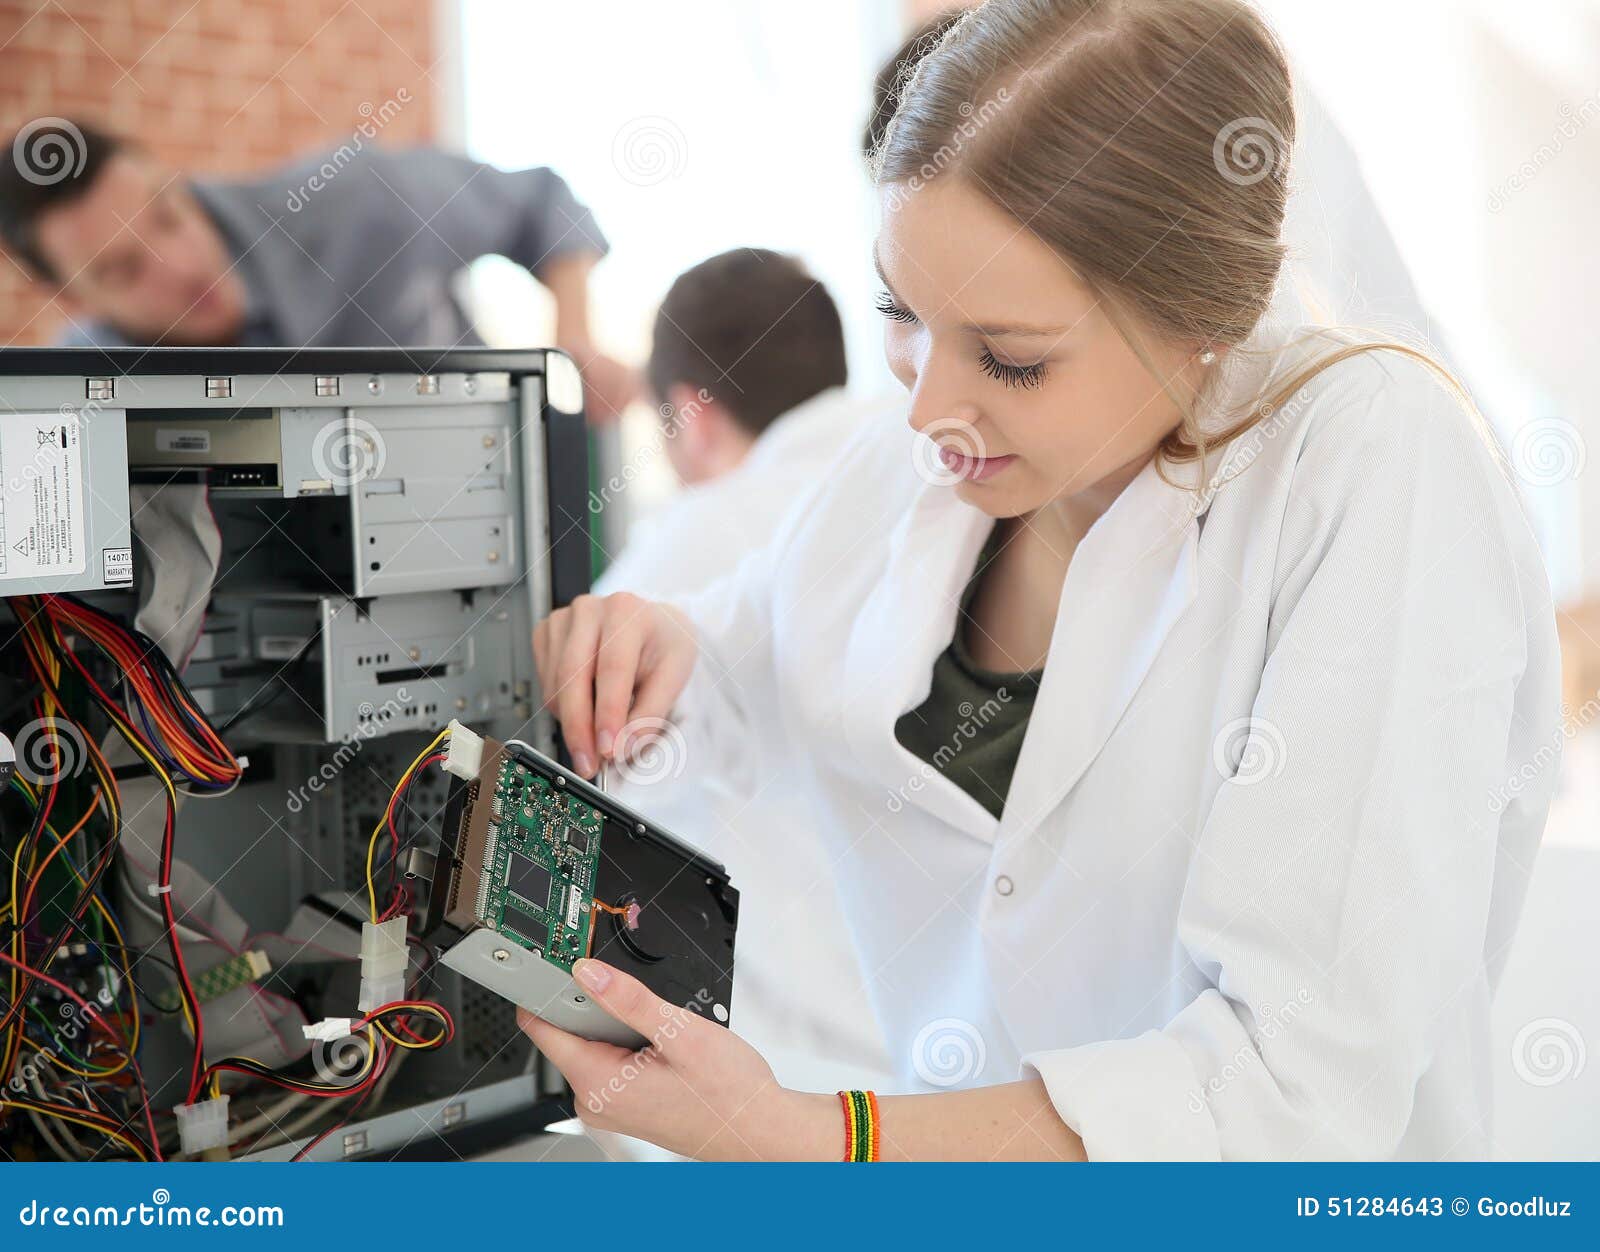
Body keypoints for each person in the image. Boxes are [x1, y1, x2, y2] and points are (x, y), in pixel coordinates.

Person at [523, 0, 1560, 1162]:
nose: (929, 406)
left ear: (1200, 316)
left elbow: (1288, 1090)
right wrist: (653, 647)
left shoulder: (1371, 465)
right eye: (902, 313)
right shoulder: (916, 466)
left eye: (1010, 358)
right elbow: (748, 655)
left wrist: (809, 1138)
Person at [593, 248, 893, 1106]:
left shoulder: (678, 554)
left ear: (692, 415)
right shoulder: (936, 485)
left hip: (797, 1085)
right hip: (992, 1073)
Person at [0, 120, 636, 422]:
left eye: (168, 215)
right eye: (123, 271)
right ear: (70, 299)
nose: (182, 267)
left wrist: (576, 341)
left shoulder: (354, 197)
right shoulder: (73, 402)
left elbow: (540, 204)